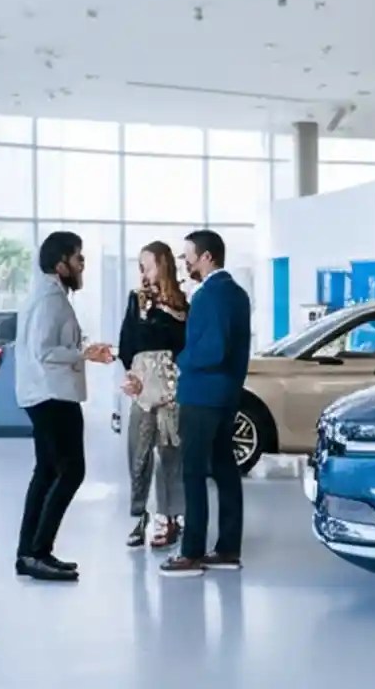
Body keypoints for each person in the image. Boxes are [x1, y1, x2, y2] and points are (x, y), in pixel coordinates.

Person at [15, 231, 114, 582]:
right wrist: (82, 353)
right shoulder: (49, 300)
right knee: (70, 471)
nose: (82, 264)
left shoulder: (51, 295)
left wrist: (83, 349)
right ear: (61, 264)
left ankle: (31, 553)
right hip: (52, 396)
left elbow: (51, 344)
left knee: (46, 473)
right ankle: (36, 552)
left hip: (47, 394)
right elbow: (44, 351)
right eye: (78, 258)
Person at [160, 230, 252, 577]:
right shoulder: (237, 294)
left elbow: (213, 350)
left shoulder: (210, 296)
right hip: (226, 394)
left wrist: (180, 358)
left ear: (208, 257)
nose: (186, 264)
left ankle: (191, 553)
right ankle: (228, 548)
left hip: (202, 396)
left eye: (189, 257)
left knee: (194, 472)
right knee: (225, 470)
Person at [118, 241, 188, 549]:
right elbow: (126, 344)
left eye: (147, 264)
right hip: (143, 388)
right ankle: (138, 515)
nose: (144, 271)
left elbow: (186, 347)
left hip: (173, 390)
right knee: (138, 453)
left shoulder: (183, 305)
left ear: (163, 264)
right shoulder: (137, 301)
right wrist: (131, 376)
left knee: (171, 454)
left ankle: (170, 518)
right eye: (140, 266)